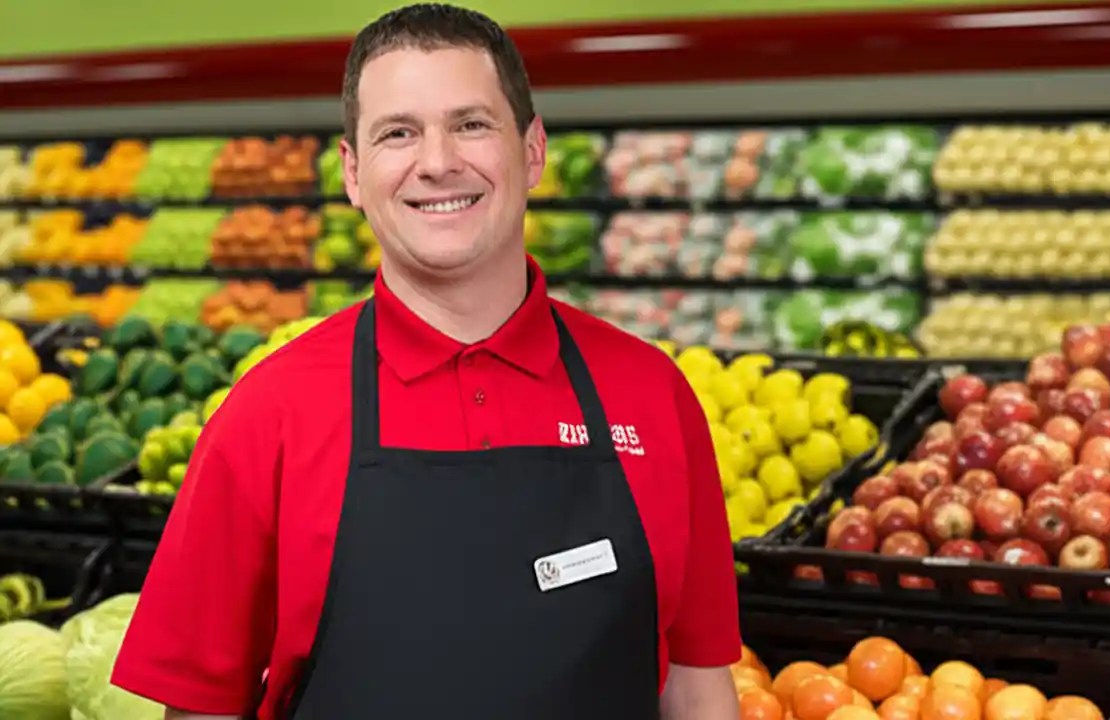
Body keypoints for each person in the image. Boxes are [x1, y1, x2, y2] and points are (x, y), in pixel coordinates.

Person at [110, 4, 742, 719]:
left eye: (471, 124)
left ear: (532, 150)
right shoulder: (267, 415)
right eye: (398, 133)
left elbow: (695, 689)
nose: (438, 162)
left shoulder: (651, 395)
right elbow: (201, 708)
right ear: (353, 173)